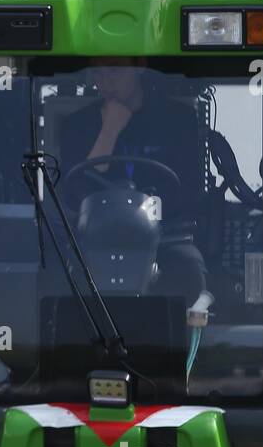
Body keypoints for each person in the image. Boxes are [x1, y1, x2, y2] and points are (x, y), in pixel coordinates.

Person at [61, 56, 206, 300]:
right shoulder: (78, 125)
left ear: (139, 68)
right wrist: (109, 130)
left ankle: (185, 335)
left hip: (165, 237)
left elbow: (189, 190)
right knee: (57, 272)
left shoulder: (178, 120)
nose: (105, 82)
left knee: (189, 268)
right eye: (98, 75)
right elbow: (75, 192)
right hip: (94, 238)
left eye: (114, 71)